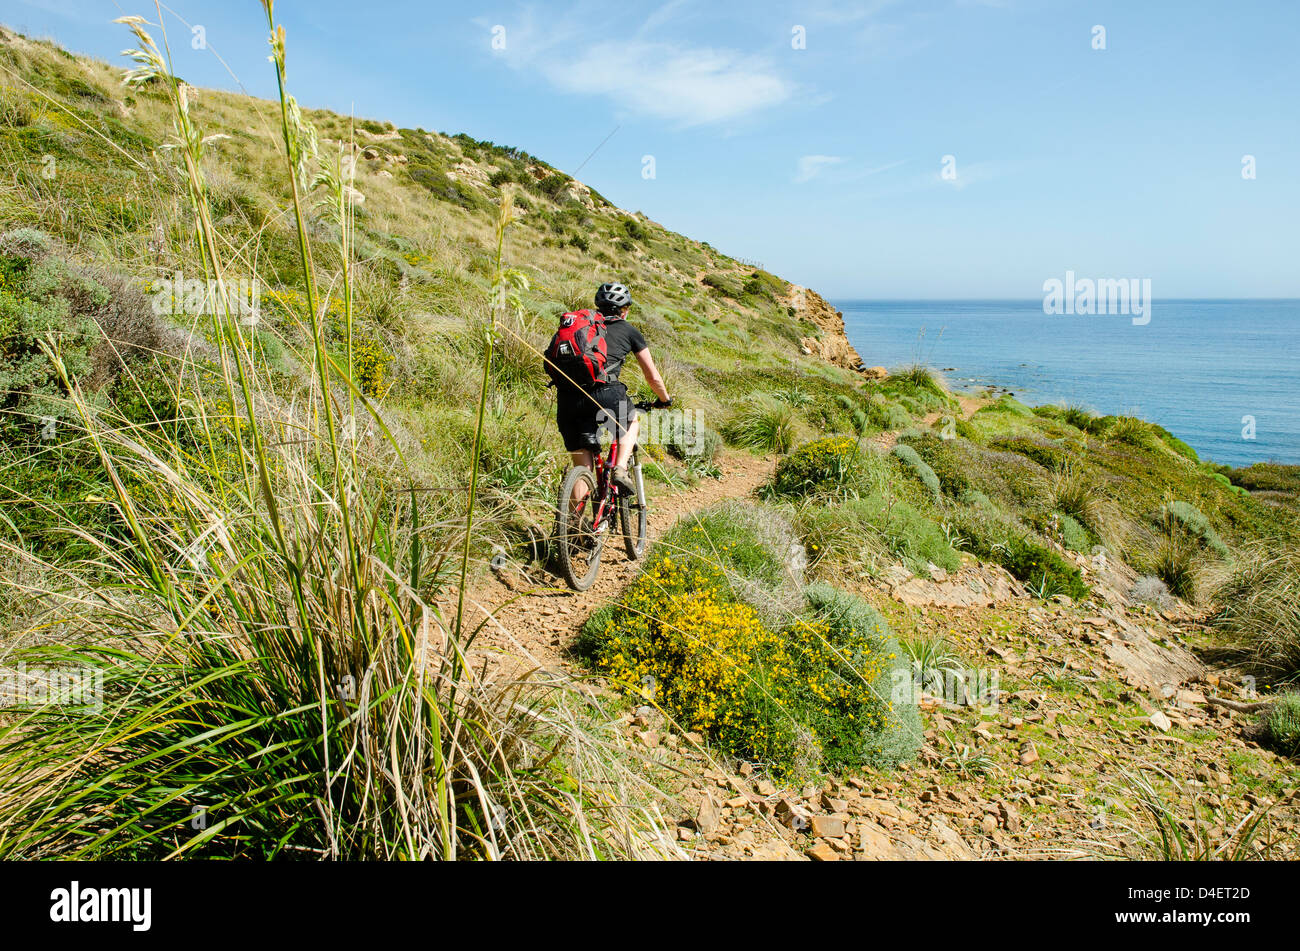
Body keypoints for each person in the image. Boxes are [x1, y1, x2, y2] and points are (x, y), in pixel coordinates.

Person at [555, 282, 670, 497]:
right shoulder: (629, 330)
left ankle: (572, 518)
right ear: (624, 310)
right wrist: (665, 399)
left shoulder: (582, 325)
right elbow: (652, 377)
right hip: (606, 394)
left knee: (583, 467)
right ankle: (620, 469)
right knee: (631, 420)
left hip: (568, 399)